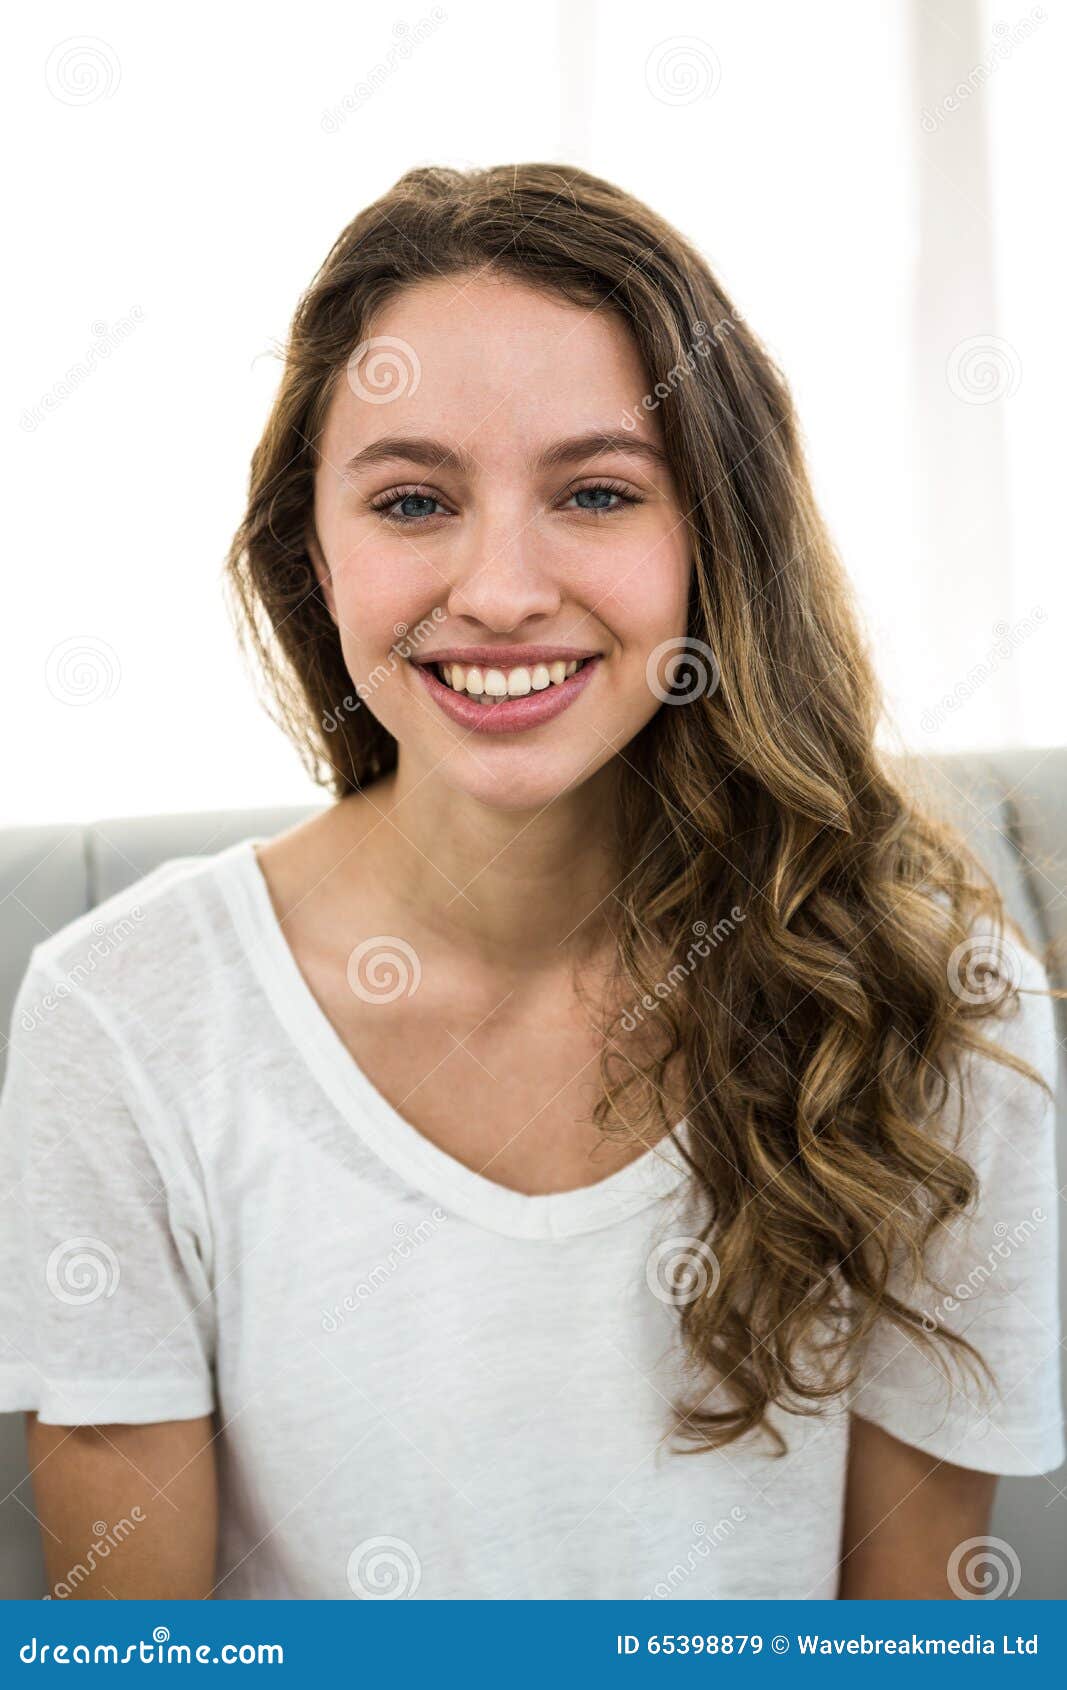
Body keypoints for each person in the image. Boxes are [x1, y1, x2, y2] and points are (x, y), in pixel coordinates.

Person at [0, 163, 1062, 1601]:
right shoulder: (122, 1015)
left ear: (715, 544)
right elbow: (136, 1648)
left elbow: (918, 1638)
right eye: (416, 498)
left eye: (599, 491)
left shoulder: (928, 992)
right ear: (311, 549)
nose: (499, 589)